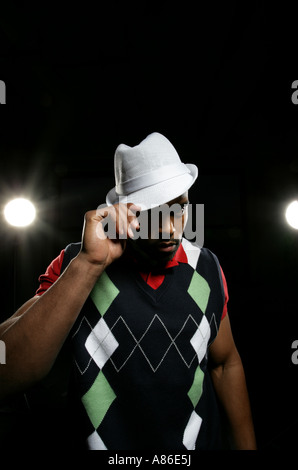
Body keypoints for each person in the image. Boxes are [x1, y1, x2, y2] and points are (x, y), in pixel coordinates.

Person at [0, 132, 256, 450]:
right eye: (153, 212)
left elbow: (224, 363)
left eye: (179, 207)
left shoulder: (206, 267)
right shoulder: (76, 263)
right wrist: (89, 264)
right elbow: (5, 371)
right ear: (125, 212)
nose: (170, 227)